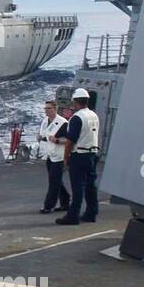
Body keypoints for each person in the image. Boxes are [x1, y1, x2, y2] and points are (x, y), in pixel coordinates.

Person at [56, 88, 100, 225]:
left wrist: (65, 158)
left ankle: (73, 215)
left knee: (78, 187)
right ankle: (91, 212)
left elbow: (70, 141)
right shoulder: (94, 115)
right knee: (90, 186)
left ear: (75, 101)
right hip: (92, 154)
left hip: (79, 155)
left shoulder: (77, 118)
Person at [37, 99, 71, 214]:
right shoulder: (45, 121)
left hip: (59, 157)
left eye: (49, 108)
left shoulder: (63, 123)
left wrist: (56, 140)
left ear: (55, 109)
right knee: (56, 181)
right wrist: (40, 137)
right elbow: (44, 135)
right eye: (45, 108)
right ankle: (65, 201)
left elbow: (68, 140)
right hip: (50, 155)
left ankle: (48, 205)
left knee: (54, 181)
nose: (46, 111)